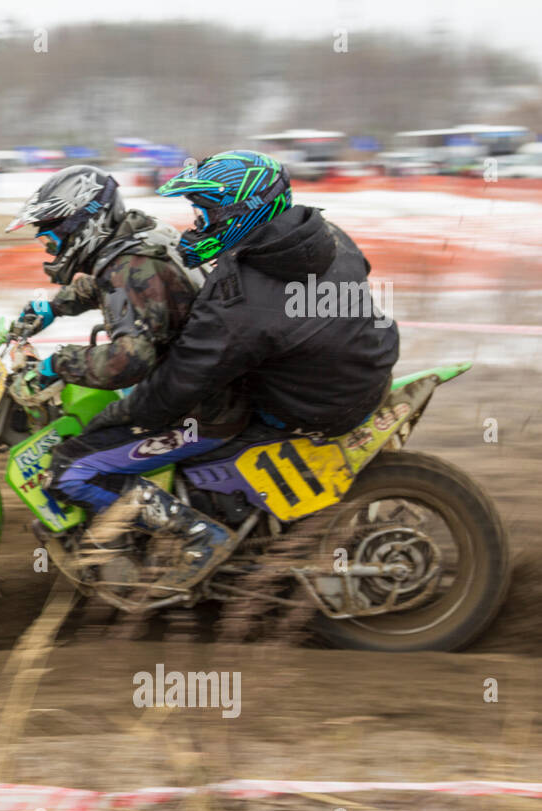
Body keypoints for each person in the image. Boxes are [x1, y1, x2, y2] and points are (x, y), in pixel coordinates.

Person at [62, 149, 399, 593]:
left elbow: (178, 384)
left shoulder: (240, 300)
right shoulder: (328, 236)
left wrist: (115, 420)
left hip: (313, 408)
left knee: (167, 435)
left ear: (240, 212)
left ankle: (204, 537)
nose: (197, 224)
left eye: (205, 212)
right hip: (367, 371)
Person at [3, 164, 247, 583]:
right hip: (201, 386)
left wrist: (57, 364)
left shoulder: (131, 263)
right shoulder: (142, 236)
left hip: (200, 411)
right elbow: (110, 283)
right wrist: (54, 306)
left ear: (84, 222)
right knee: (93, 428)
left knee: (71, 468)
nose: (47, 244)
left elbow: (128, 360)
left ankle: (201, 535)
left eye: (51, 232)